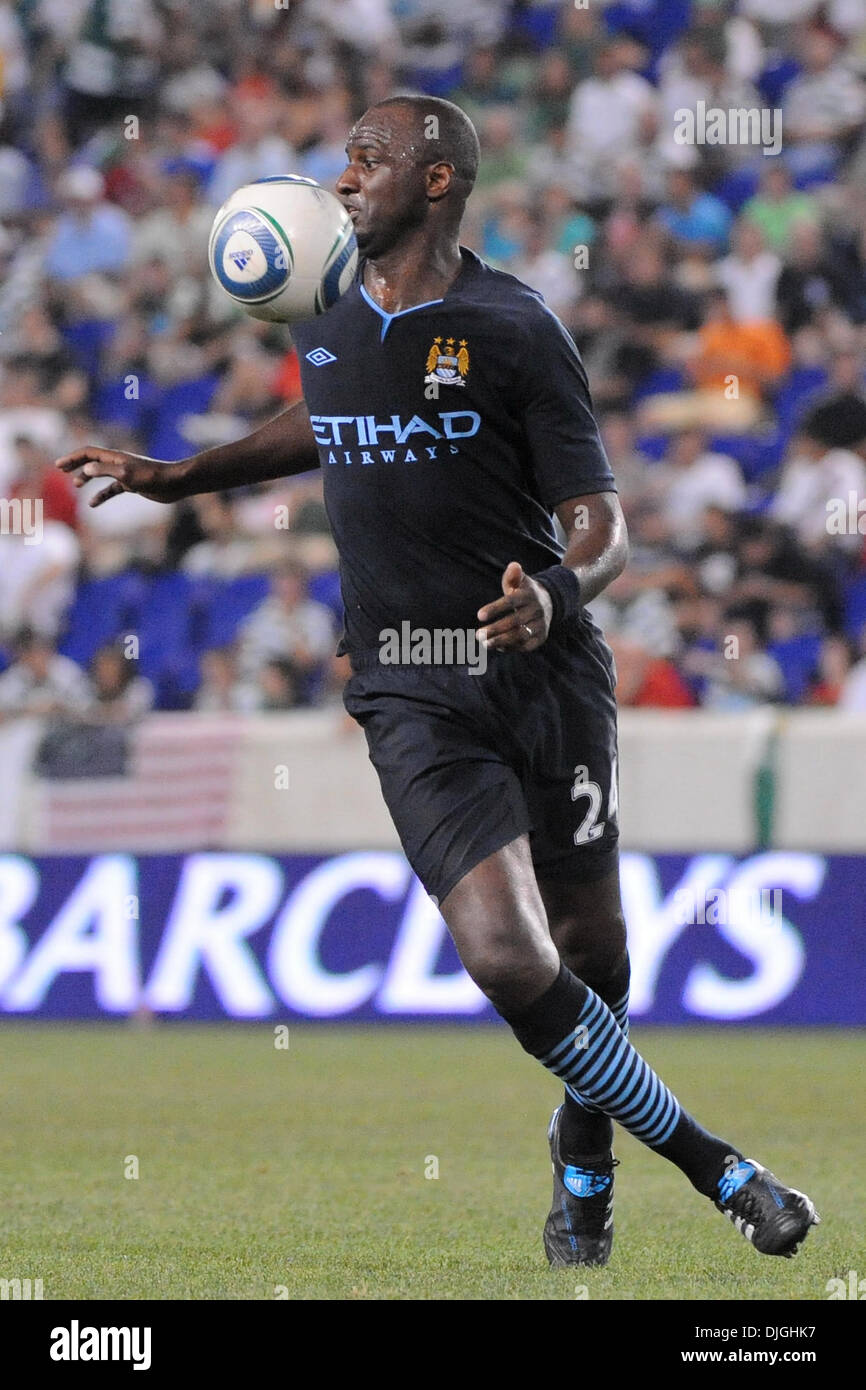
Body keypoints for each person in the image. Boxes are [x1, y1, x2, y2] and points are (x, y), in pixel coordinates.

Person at [57, 96, 819, 1268]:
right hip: (410, 689)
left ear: (441, 181)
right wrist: (175, 477)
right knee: (512, 958)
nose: (344, 177)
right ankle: (722, 1168)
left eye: (369, 159)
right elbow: (320, 413)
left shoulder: (515, 326)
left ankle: (581, 1159)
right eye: (342, 158)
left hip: (545, 672)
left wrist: (556, 594)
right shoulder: (321, 316)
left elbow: (600, 523)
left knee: (595, 955)